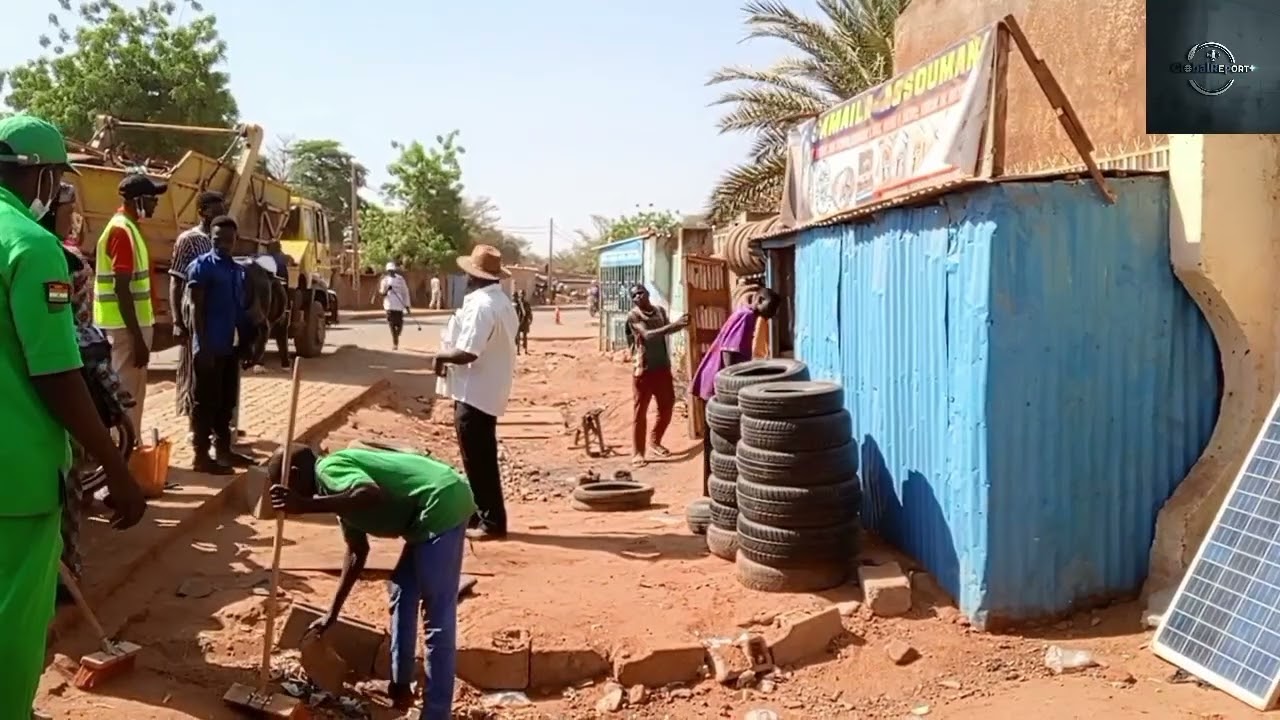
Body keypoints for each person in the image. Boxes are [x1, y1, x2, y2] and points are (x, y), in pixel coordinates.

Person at [0, 113, 146, 717]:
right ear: (39, 175)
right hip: (17, 481)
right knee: (12, 624)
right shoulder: (32, 249)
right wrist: (116, 467)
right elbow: (57, 373)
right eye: (56, 180)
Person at [266, 444, 474, 719]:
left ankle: (436, 714)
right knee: (403, 591)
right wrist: (332, 613)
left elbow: (368, 493)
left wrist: (305, 505)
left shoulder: (329, 468)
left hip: (441, 501)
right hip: (425, 513)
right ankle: (400, 686)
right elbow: (356, 553)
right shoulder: (339, 497)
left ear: (293, 475)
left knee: (437, 615)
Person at [435, 244, 518, 541]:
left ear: (474, 276)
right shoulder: (501, 302)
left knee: (478, 459)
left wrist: (441, 357)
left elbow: (469, 351)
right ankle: (480, 513)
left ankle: (491, 521)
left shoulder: (483, 306)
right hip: (487, 390)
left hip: (475, 392)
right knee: (479, 457)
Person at [94, 171, 167, 439]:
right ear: (137, 201)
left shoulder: (130, 228)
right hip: (125, 330)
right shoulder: (122, 231)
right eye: (151, 199)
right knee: (126, 395)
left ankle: (128, 451)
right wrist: (137, 337)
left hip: (126, 326)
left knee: (132, 393)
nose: (154, 205)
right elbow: (121, 286)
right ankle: (125, 455)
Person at [689, 288, 781, 494]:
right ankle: (712, 489)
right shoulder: (747, 317)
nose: (773, 314)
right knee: (716, 441)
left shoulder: (744, 313)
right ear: (759, 299)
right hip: (718, 383)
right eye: (772, 308)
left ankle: (710, 488)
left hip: (714, 381)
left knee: (713, 441)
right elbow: (730, 355)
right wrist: (732, 388)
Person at [186, 215, 252, 474]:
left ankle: (224, 450)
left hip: (229, 347)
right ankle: (201, 457)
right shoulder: (201, 267)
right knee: (205, 403)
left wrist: (246, 344)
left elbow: (240, 311)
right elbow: (195, 308)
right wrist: (201, 346)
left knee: (226, 403)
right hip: (208, 347)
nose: (223, 243)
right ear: (211, 238)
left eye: (228, 239)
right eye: (217, 239)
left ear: (235, 240)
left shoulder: (237, 271)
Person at [171, 191, 224, 436]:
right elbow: (176, 280)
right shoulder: (188, 240)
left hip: (217, 317)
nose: (220, 213)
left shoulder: (221, 241)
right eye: (215, 209)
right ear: (202, 211)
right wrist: (177, 322)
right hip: (195, 316)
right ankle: (195, 426)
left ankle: (215, 424)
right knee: (194, 372)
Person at [626, 284, 688, 467]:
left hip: (662, 367)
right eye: (634, 295)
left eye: (640, 292)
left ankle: (655, 440)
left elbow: (667, 330)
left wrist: (682, 324)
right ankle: (638, 453)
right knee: (640, 413)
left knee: (667, 407)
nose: (638, 296)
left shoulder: (660, 311)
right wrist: (674, 326)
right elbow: (647, 335)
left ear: (648, 293)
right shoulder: (634, 316)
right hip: (643, 370)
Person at [379, 261, 411, 350]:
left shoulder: (400, 279)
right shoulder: (384, 280)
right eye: (389, 271)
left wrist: (407, 306)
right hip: (389, 306)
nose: (391, 272)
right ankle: (395, 342)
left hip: (399, 305)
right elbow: (382, 293)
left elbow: (405, 292)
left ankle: (397, 334)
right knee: (392, 325)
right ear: (387, 271)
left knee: (400, 324)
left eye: (392, 270)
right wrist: (387, 290)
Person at [513, 289, 532, 355]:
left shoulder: (526, 303)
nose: (522, 296)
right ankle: (518, 350)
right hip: (518, 321)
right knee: (517, 336)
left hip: (525, 321)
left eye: (523, 294)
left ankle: (525, 350)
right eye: (521, 294)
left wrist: (530, 319)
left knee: (525, 336)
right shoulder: (517, 304)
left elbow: (529, 312)